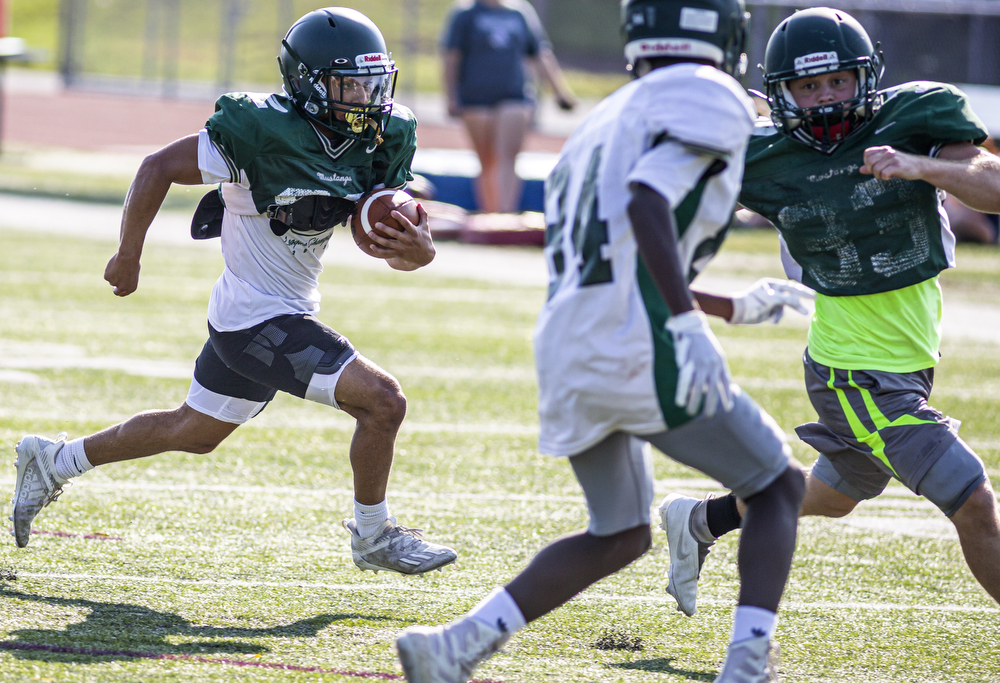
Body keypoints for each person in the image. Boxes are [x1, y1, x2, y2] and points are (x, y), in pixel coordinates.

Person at [395, 2, 811, 682]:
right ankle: (747, 663)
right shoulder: (708, 94)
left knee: (619, 533)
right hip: (638, 337)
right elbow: (648, 200)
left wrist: (728, 305)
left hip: (569, 340)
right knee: (777, 486)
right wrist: (685, 320)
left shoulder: (604, 119)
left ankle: (454, 645)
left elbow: (613, 252)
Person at [10, 7, 458, 576]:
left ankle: (53, 461)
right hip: (254, 320)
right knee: (384, 401)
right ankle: (373, 536)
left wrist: (419, 251)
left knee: (193, 431)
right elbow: (158, 166)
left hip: (273, 313)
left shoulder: (380, 139)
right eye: (349, 85)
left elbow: (387, 237)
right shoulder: (260, 132)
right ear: (308, 83)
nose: (365, 99)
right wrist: (128, 254)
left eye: (372, 84)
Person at [660, 7, 1000, 619]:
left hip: (906, 359)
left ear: (865, 76)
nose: (824, 98)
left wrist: (922, 167)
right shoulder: (760, 154)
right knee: (972, 499)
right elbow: (672, 214)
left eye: (837, 81)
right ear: (781, 93)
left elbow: (993, 184)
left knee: (837, 494)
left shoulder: (914, 117)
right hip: (854, 372)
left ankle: (701, 520)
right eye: (807, 85)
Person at [440, 0, 578, 214]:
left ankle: (505, 214)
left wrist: (560, 91)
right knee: (487, 161)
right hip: (475, 98)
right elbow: (452, 56)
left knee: (507, 157)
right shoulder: (465, 14)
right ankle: (490, 214)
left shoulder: (520, 13)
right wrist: (451, 96)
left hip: (513, 95)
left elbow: (539, 53)